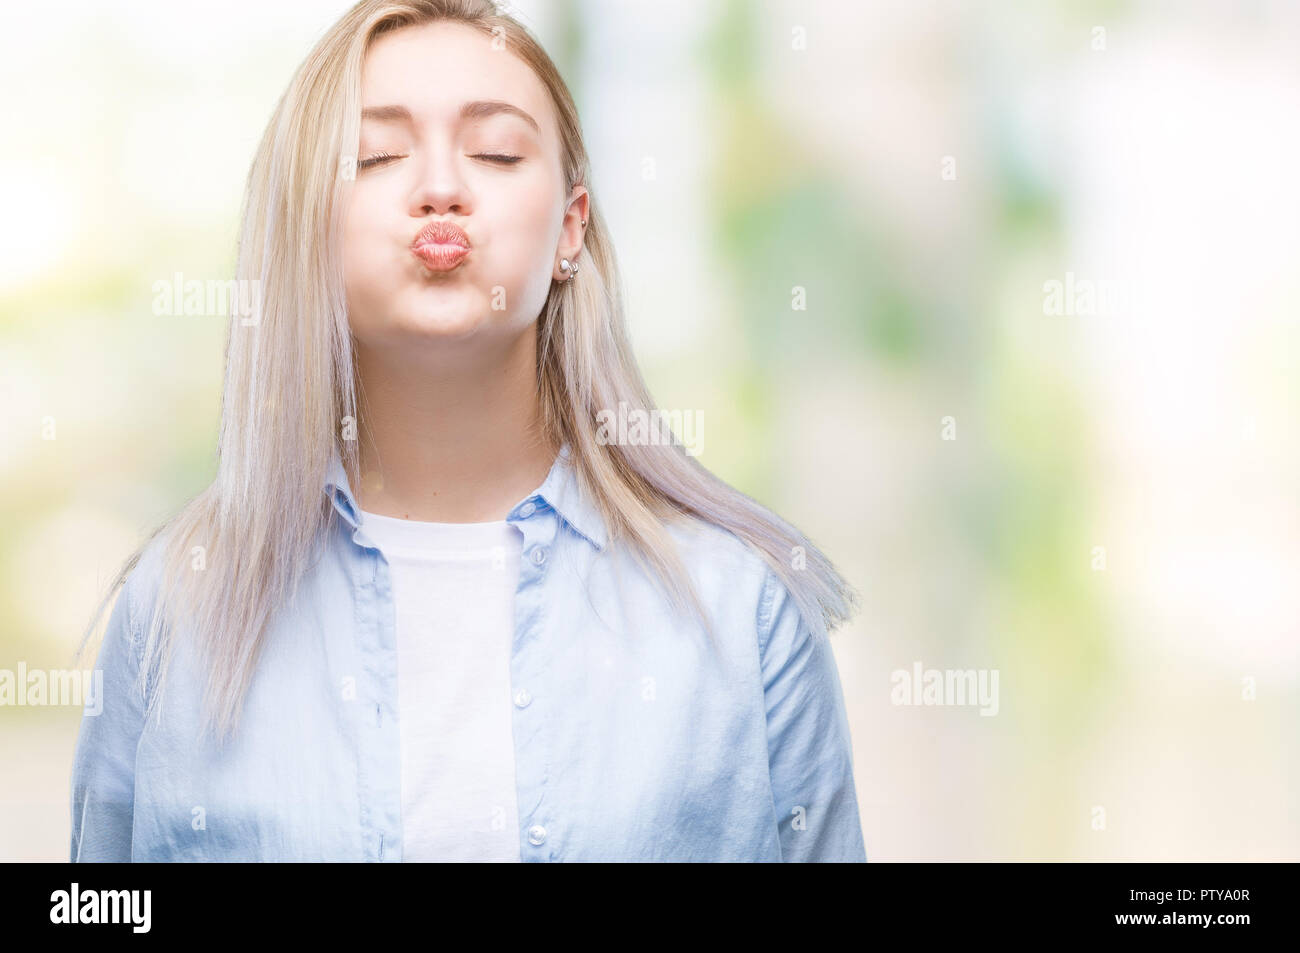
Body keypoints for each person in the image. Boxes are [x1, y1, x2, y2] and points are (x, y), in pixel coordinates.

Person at [70, 0, 866, 862]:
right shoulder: (176, 606)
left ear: (570, 226)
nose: (440, 187)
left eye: (495, 151)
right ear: (310, 224)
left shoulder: (742, 610)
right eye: (376, 155)